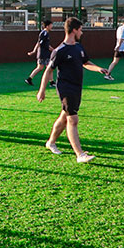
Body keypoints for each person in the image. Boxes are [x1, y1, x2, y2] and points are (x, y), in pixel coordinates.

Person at [36, 17, 106, 163]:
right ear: (74, 30)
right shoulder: (59, 50)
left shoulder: (79, 47)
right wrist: (41, 90)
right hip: (65, 88)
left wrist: (98, 69)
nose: (82, 32)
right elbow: (48, 70)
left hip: (76, 87)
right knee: (72, 119)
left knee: (64, 116)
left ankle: (51, 142)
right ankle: (80, 154)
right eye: (80, 29)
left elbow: (85, 62)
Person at [25, 16, 54, 85]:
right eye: (50, 25)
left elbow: (41, 43)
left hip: (44, 53)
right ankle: (52, 82)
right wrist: (34, 51)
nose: (51, 26)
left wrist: (34, 51)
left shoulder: (45, 33)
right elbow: (40, 43)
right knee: (49, 67)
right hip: (43, 54)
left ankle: (29, 79)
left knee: (41, 67)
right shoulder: (44, 33)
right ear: (47, 26)